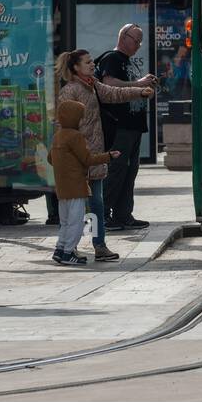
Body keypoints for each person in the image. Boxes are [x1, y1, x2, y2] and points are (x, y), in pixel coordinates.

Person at [54, 48, 153, 261]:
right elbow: (61, 124)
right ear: (75, 68)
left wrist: (139, 91)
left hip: (94, 155)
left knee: (96, 204)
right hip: (78, 159)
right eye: (87, 62)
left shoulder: (92, 86)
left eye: (92, 62)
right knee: (76, 209)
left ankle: (98, 246)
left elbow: (113, 93)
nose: (92, 65)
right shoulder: (70, 91)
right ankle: (68, 248)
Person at [95, 24, 159, 230]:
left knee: (130, 171)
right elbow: (108, 83)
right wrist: (140, 83)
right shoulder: (111, 59)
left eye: (141, 41)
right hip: (119, 125)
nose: (139, 45)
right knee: (117, 169)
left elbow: (134, 88)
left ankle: (123, 214)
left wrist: (147, 87)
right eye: (136, 40)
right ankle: (102, 215)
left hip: (134, 125)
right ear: (123, 36)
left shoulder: (129, 62)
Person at [49, 99, 120, 266]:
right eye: (80, 117)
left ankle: (60, 249)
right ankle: (68, 253)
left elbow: (50, 158)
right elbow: (87, 159)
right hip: (76, 186)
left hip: (62, 187)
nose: (81, 121)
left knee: (65, 221)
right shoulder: (75, 136)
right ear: (73, 118)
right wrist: (108, 156)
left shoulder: (57, 136)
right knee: (76, 222)